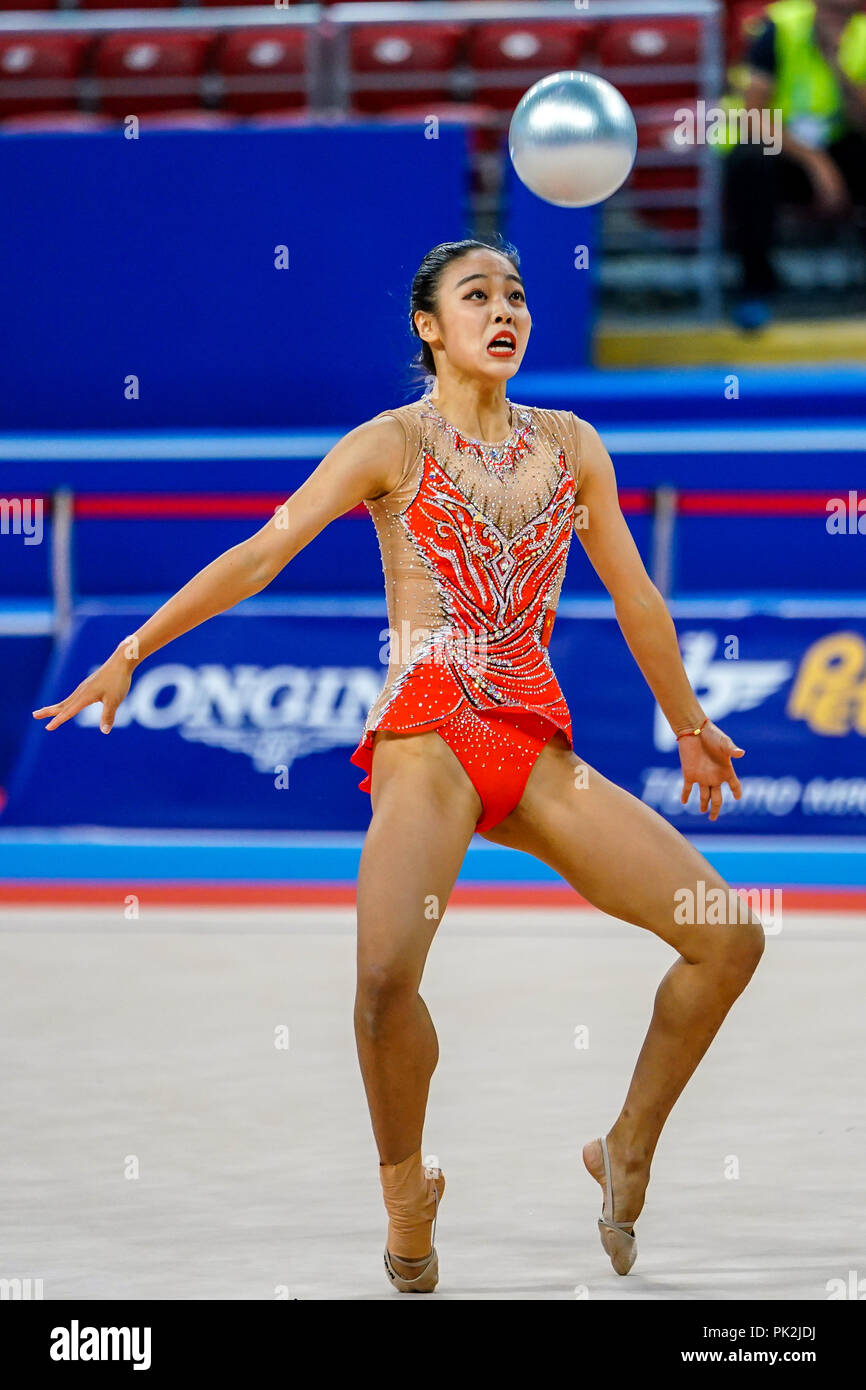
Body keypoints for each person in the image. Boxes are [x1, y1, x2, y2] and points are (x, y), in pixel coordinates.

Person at [33, 239, 765, 1293]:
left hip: (530, 739)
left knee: (727, 937)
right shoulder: (389, 443)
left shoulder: (572, 447)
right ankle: (404, 1193)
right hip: (427, 737)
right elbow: (263, 548)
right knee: (382, 981)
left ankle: (628, 1142)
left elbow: (636, 596)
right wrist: (130, 650)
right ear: (430, 326)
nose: (503, 310)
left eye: (516, 294)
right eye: (477, 296)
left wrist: (688, 721)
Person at [725, 0, 866, 329]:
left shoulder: (862, 34)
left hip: (841, 143)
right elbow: (754, 115)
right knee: (750, 162)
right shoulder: (781, 25)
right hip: (785, 148)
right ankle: (755, 290)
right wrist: (816, 164)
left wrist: (836, 64)